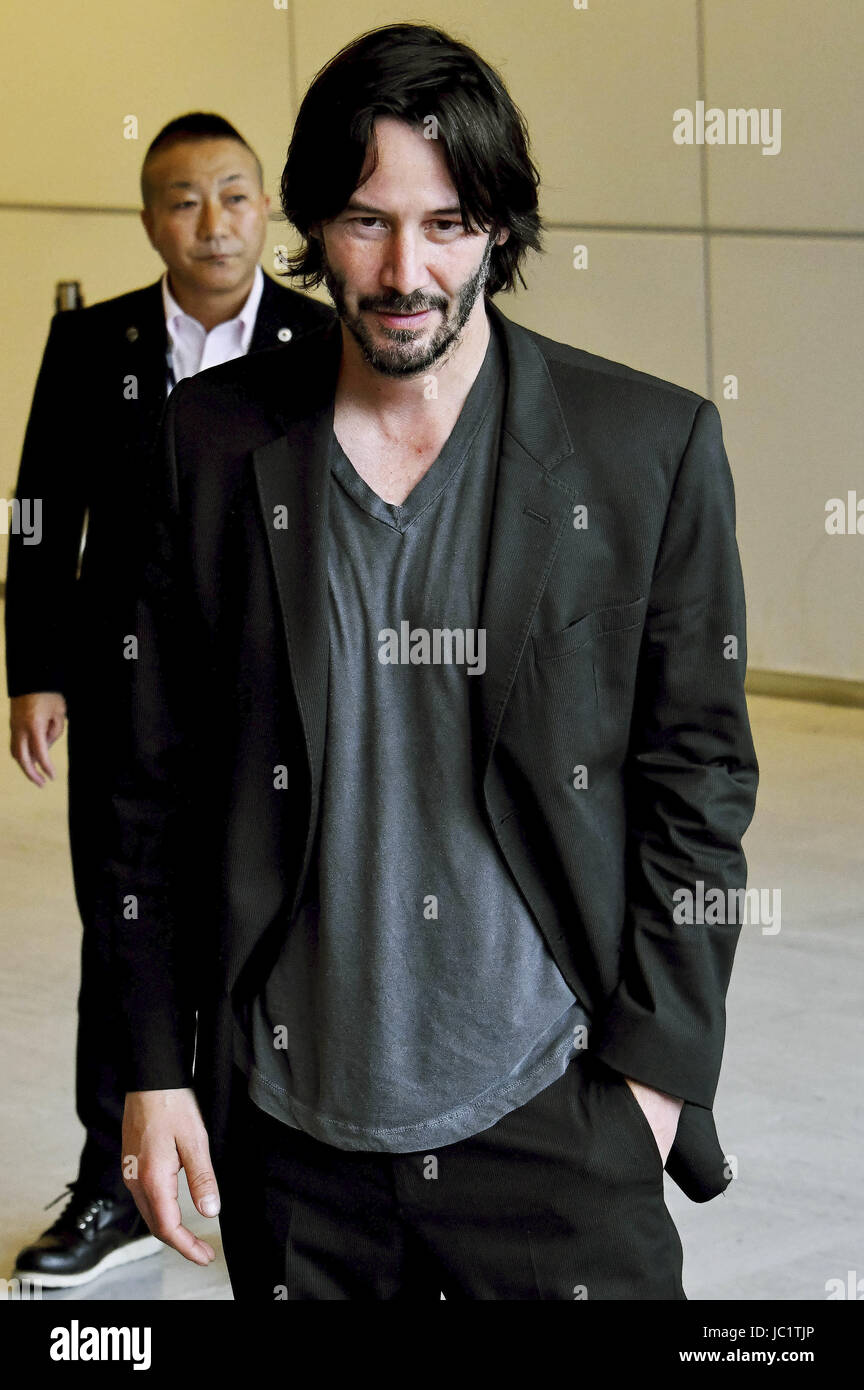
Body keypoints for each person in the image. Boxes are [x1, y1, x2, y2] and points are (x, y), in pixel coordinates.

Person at [108, 25, 759, 1300]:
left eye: (449, 223)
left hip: (561, 1119)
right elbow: (145, 788)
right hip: (296, 1132)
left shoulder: (646, 449)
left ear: (501, 234)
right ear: (311, 226)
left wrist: (656, 1080)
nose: (406, 271)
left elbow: (700, 783)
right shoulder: (211, 447)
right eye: (365, 222)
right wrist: (152, 1063)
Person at [5, 111, 334, 1289]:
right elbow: (40, 507)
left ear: (266, 211)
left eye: (237, 196)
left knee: (278, 928)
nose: (215, 221)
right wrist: (34, 668)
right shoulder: (92, 342)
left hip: (277, 695)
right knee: (127, 930)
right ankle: (114, 1184)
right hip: (126, 693)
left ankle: (269, 1171)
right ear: (151, 221)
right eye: (187, 200)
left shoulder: (320, 337)